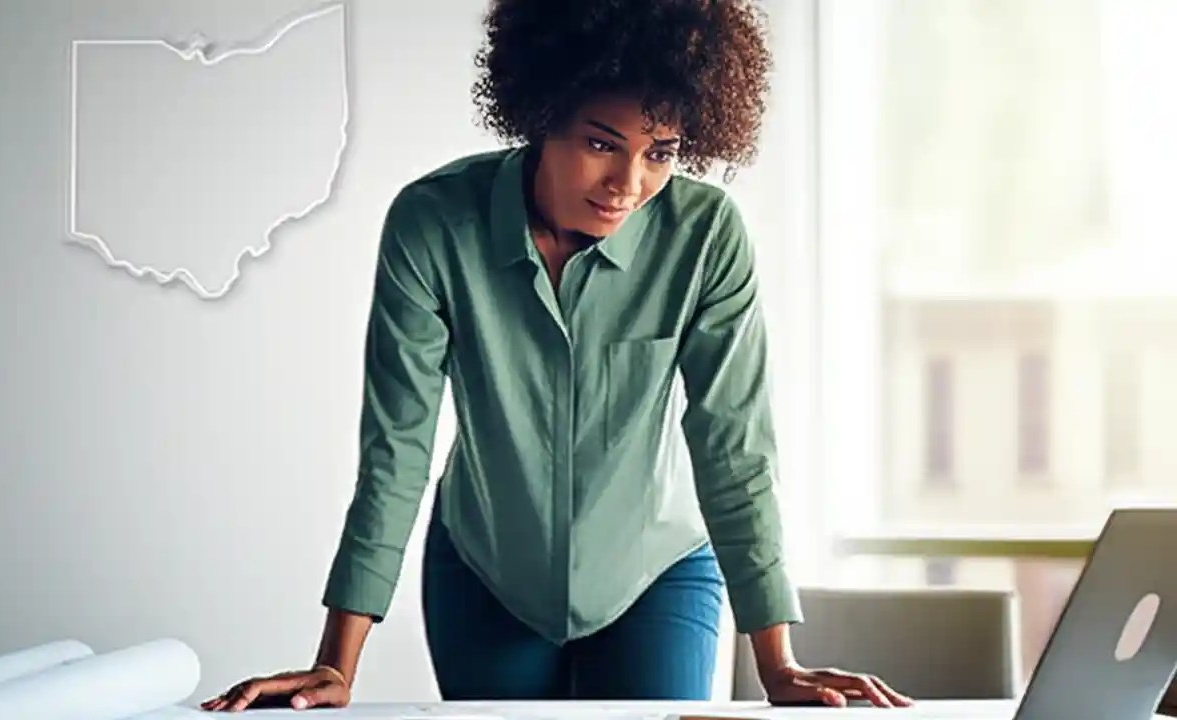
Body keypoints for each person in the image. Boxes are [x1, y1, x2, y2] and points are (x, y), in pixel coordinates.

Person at [202, 0, 913, 712]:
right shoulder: (433, 225)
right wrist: (336, 666)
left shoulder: (706, 238)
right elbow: (397, 447)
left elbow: (735, 448)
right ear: (542, 116)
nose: (628, 185)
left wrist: (779, 665)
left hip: (655, 572)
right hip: (484, 577)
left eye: (660, 151)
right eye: (602, 144)